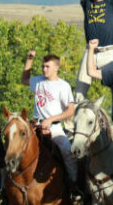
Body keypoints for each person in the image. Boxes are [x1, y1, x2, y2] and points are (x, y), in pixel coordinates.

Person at [21, 51, 79, 196]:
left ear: (56, 68)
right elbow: (24, 79)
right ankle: (6, 191)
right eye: (43, 66)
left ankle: (74, 187)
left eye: (47, 66)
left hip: (55, 128)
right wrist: (29, 60)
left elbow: (70, 110)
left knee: (67, 152)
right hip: (35, 126)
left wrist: (51, 119)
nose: (44, 69)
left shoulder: (63, 86)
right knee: (15, 149)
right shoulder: (38, 81)